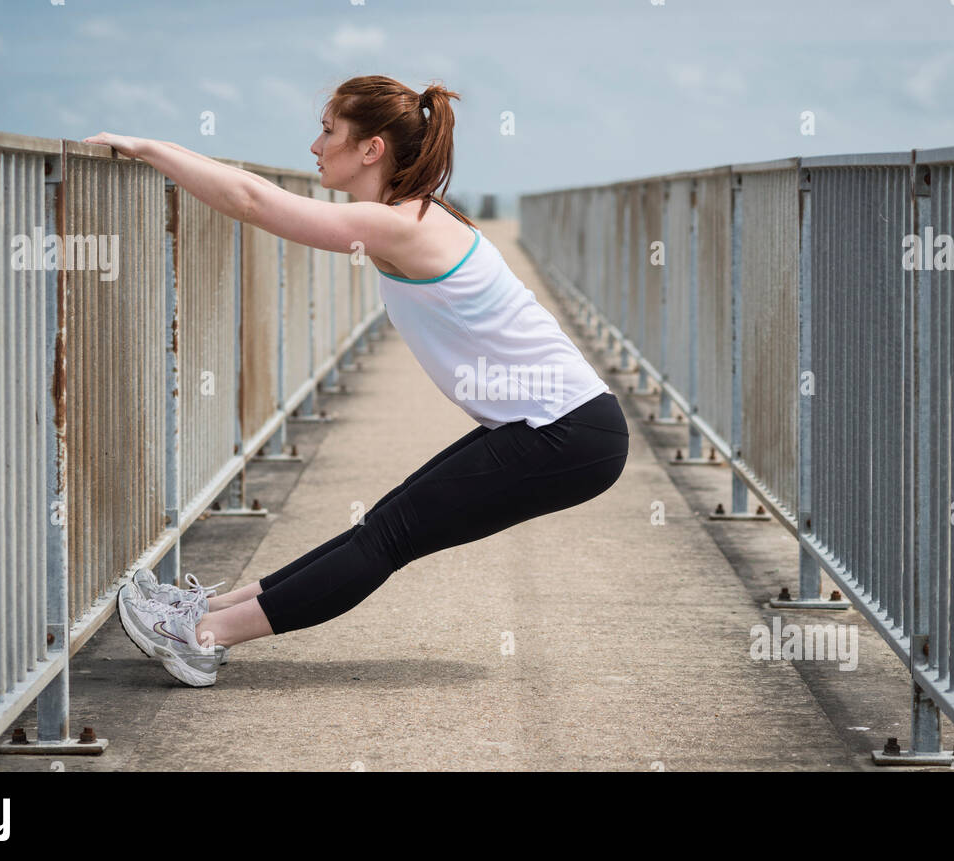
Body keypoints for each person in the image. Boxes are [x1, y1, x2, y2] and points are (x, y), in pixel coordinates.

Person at [87, 75, 628, 687]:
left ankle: (199, 639)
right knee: (378, 528)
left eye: (327, 131)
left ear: (370, 149)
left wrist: (150, 147)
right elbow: (255, 197)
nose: (315, 147)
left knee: (386, 541)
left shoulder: (402, 226)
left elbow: (253, 203)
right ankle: (207, 612)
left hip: (566, 432)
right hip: (556, 424)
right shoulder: (412, 215)